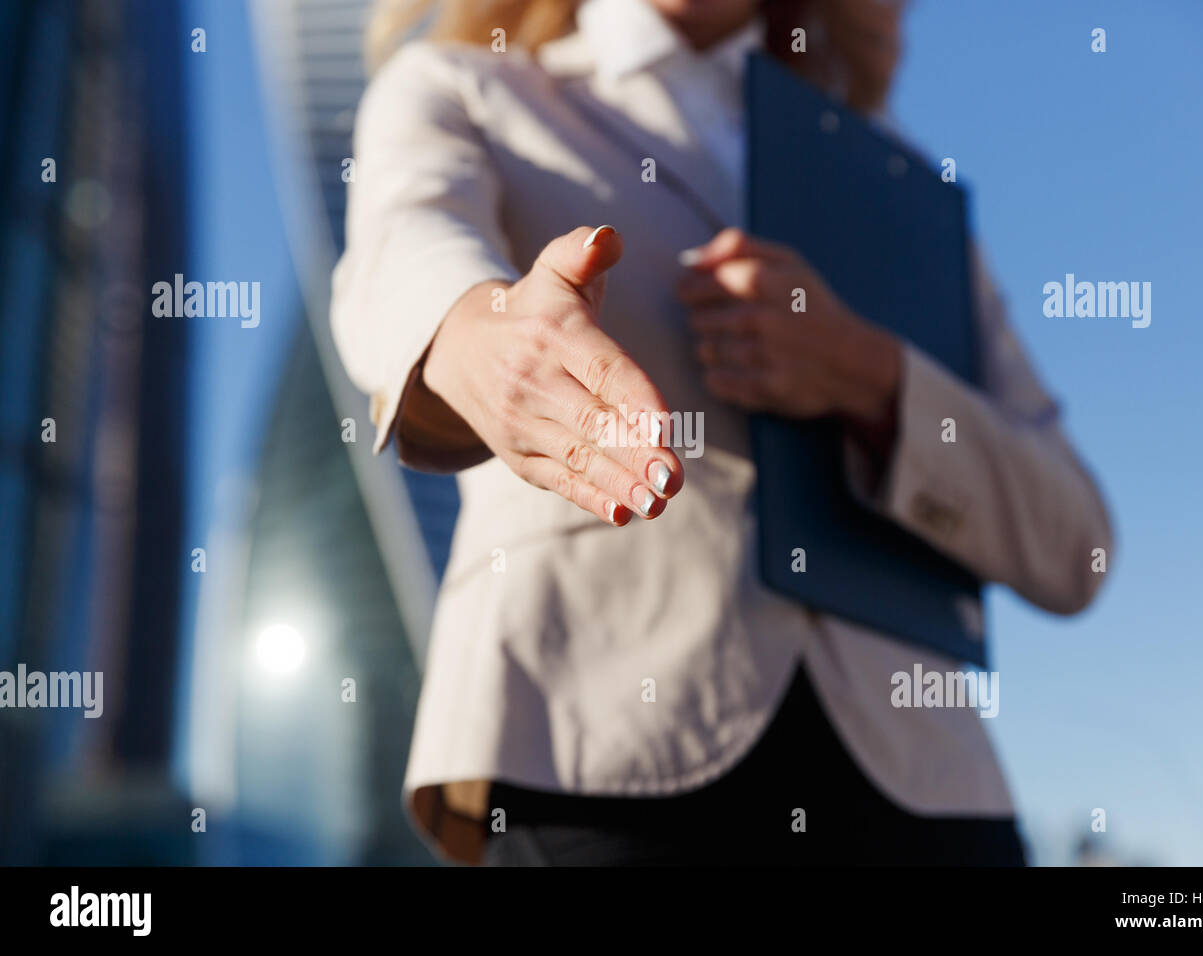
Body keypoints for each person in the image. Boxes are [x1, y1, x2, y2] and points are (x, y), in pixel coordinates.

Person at [330, 0, 1113, 865]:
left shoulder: (897, 182)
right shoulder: (464, 87)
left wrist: (871, 377)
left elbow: (1077, 543)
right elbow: (406, 246)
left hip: (928, 784)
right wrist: (482, 335)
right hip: (596, 752)